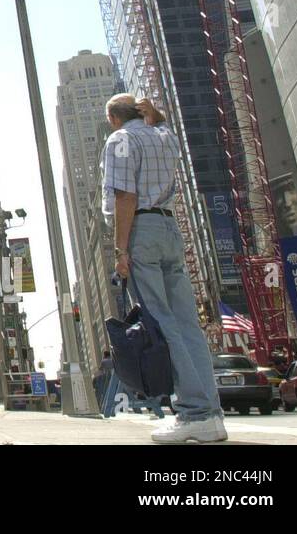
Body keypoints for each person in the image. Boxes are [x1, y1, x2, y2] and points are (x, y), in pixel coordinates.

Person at [104, 93, 225, 444]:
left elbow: (124, 196)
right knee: (188, 325)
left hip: (141, 230)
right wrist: (156, 113)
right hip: (170, 228)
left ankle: (194, 413)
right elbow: (164, 122)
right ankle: (211, 414)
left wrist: (121, 248)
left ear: (114, 118)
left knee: (162, 321)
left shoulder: (120, 140)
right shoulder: (163, 134)